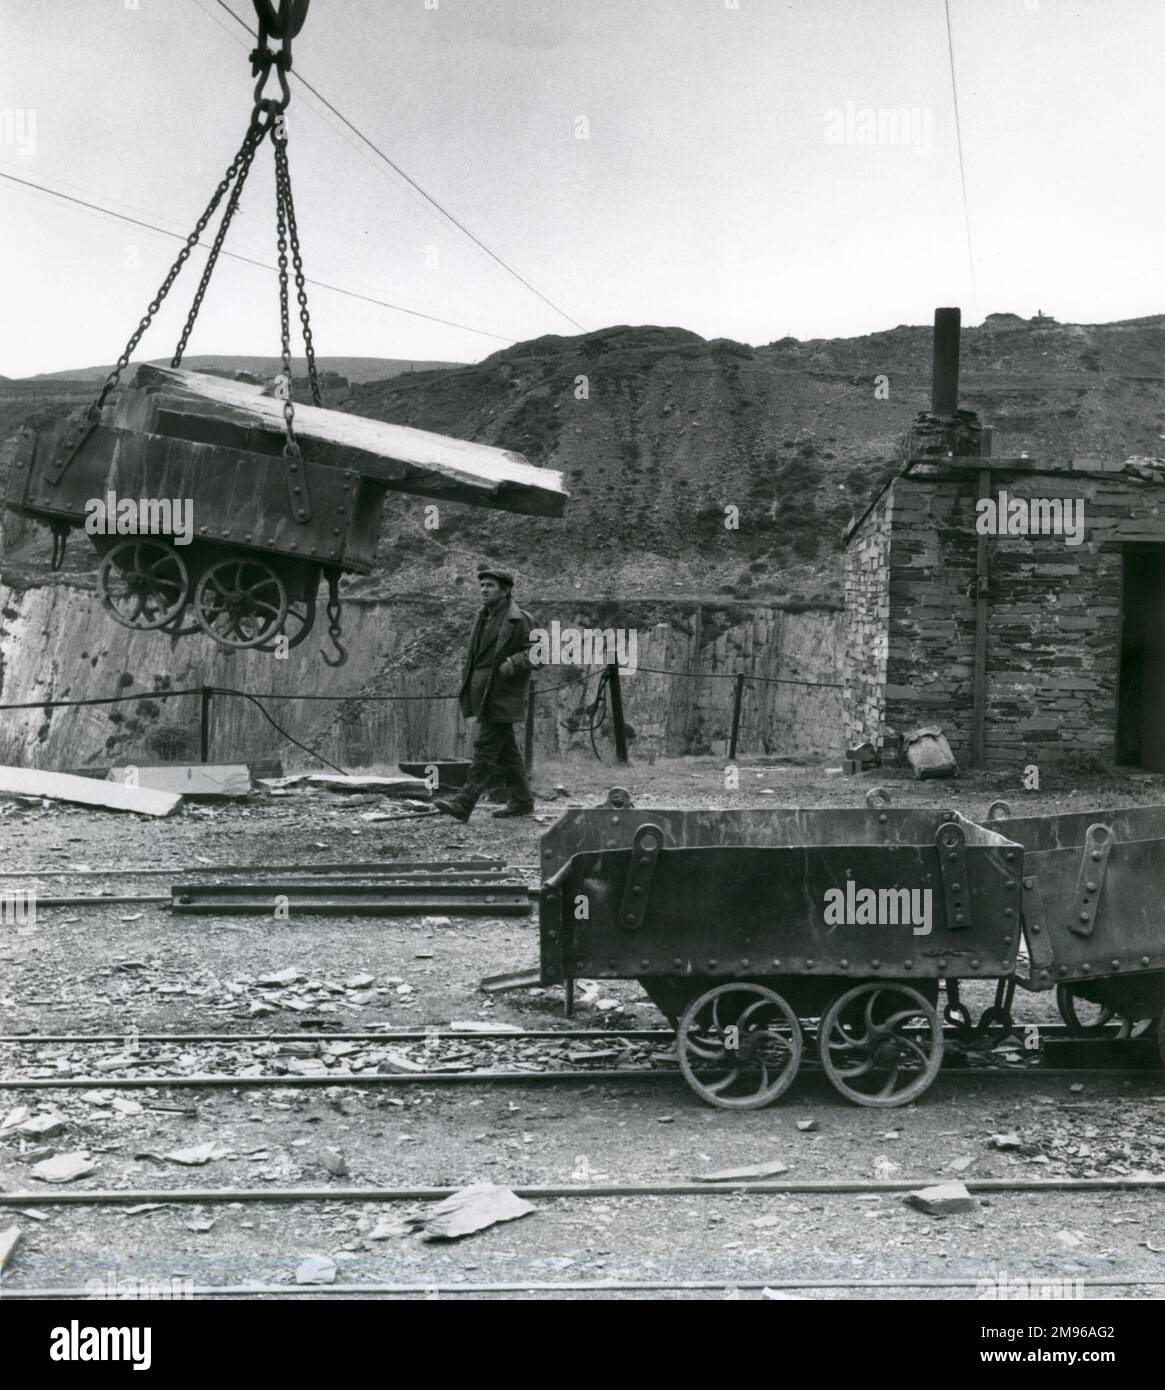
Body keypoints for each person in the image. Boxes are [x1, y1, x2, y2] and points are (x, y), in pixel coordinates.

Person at [433, 568, 537, 822]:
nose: (484, 590)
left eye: (490, 585)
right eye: (482, 585)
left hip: (502, 695)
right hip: (484, 694)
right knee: (507, 753)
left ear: (505, 590)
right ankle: (522, 800)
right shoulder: (483, 616)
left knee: (485, 751)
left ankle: (464, 803)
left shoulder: (519, 619)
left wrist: (513, 663)